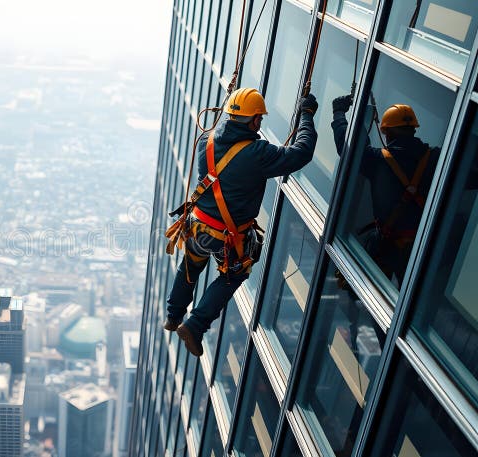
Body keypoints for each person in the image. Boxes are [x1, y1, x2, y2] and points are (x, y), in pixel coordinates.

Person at [166, 87, 318, 357]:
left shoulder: (207, 140)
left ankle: (173, 315)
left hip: (197, 225)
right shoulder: (257, 153)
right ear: (254, 120)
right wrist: (306, 115)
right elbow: (300, 153)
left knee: (190, 267)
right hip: (226, 235)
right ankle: (195, 325)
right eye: (259, 119)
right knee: (233, 275)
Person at [330, 96, 439, 283]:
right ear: (413, 130)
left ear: (387, 133)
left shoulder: (379, 161)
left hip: (390, 244)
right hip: (425, 245)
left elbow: (349, 149)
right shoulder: (438, 159)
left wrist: (339, 114)